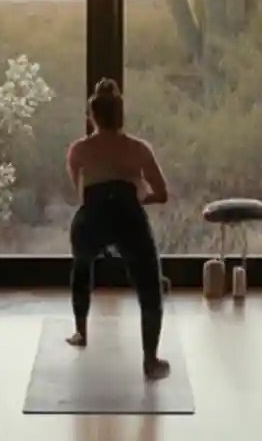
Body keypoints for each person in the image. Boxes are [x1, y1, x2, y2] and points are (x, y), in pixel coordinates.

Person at [65, 78, 171, 380]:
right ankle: (150, 360)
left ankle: (80, 332)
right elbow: (162, 194)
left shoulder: (78, 150)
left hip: (92, 216)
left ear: (92, 116)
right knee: (150, 286)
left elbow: (80, 191)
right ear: (121, 115)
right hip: (128, 215)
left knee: (82, 267)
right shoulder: (139, 149)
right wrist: (138, 197)